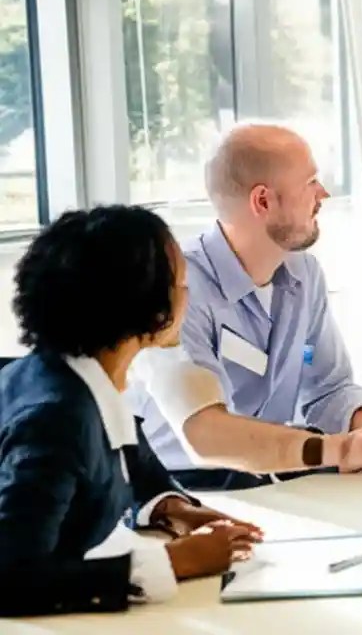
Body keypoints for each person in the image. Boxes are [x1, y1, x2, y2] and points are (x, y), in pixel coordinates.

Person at [0, 206, 262, 616]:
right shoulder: (54, 419)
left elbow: (132, 464)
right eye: (181, 285)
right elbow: (12, 579)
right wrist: (177, 562)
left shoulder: (83, 375)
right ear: (139, 299)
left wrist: (177, 511)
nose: (188, 297)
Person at [129, 124, 362, 490]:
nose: (323, 194)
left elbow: (327, 387)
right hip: (188, 490)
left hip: (276, 479)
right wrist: (341, 450)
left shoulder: (304, 273)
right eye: (310, 182)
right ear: (263, 201)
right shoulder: (177, 288)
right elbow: (206, 434)